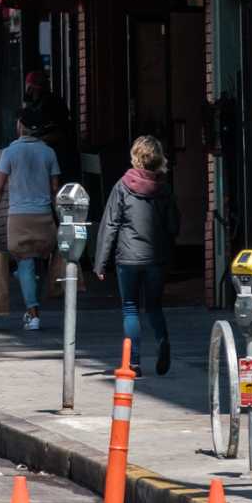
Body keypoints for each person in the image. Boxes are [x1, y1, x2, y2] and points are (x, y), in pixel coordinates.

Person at [92, 135, 181, 376]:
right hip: (156, 259)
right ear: (158, 159)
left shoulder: (123, 185)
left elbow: (110, 224)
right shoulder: (163, 188)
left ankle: (133, 362)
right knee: (154, 306)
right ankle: (163, 341)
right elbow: (174, 225)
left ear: (135, 157)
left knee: (130, 308)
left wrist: (100, 262)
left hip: (128, 258)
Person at [0, 111, 62, 331]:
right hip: (44, 216)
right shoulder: (49, 153)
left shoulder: (10, 152)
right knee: (42, 257)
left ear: (20, 126)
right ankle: (32, 282)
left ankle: (33, 313)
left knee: (24, 262)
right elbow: (55, 189)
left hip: (19, 218)